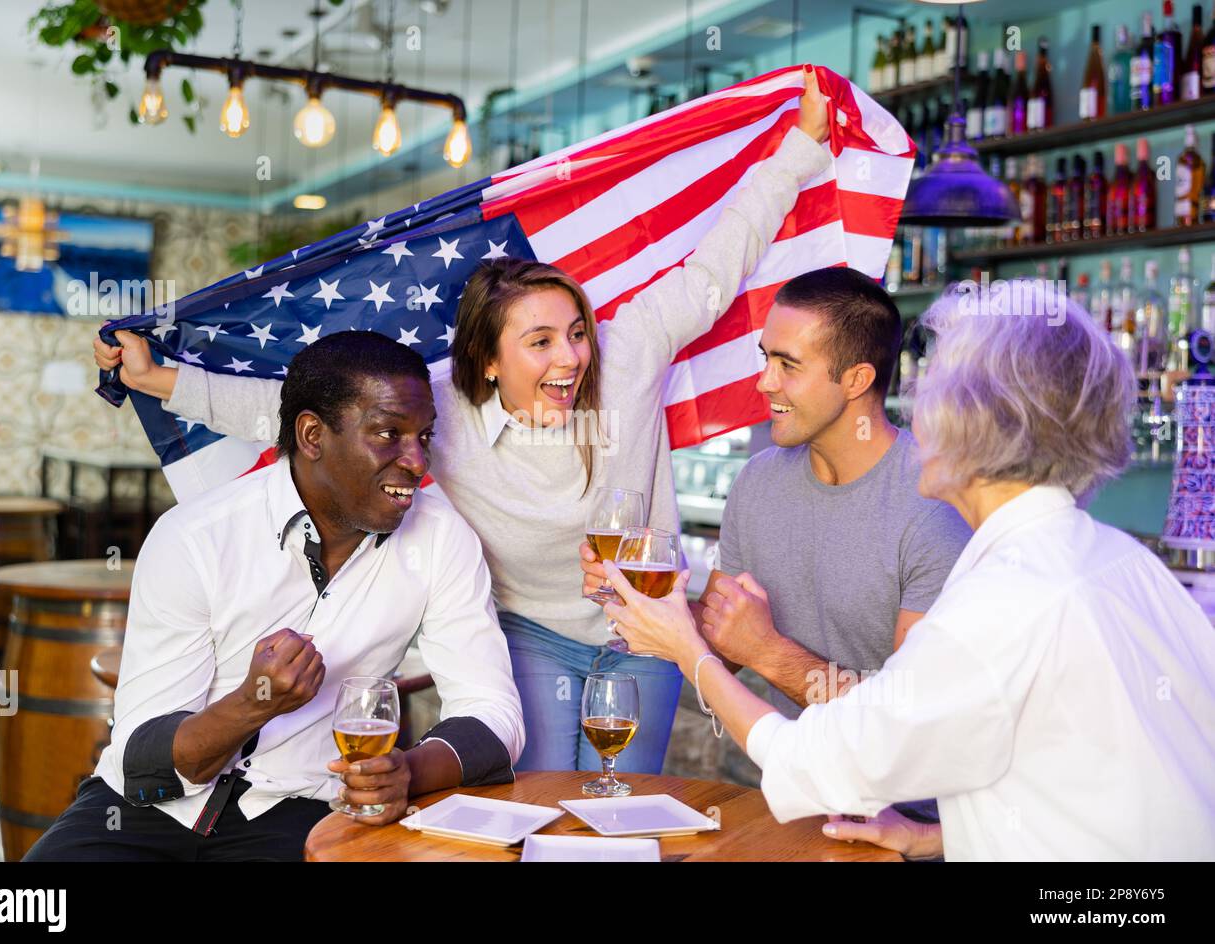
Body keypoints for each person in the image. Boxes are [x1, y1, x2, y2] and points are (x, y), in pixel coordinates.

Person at [93, 68, 834, 774]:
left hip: (648, 630)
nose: (571, 357)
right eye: (540, 342)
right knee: (544, 802)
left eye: (576, 332)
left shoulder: (630, 350)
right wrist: (159, 378)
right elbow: (286, 407)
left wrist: (799, 147)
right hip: (531, 634)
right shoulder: (439, 407)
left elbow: (714, 271)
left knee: (621, 807)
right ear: (488, 362)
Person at [599, 281, 1215, 860]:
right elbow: (1063, 779)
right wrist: (927, 838)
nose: (915, 410)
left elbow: (816, 762)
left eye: (932, 392)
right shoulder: (1123, 562)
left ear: (975, 424)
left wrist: (688, 648)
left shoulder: (1000, 606)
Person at [27, 332, 524, 861]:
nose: (418, 462)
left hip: (303, 810)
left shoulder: (441, 540)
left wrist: (408, 770)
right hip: (143, 809)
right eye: (388, 434)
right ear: (312, 435)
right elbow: (143, 758)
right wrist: (252, 703)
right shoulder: (195, 536)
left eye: (425, 436)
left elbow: (494, 713)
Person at [580, 265, 972, 824]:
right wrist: (635, 601)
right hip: (780, 791)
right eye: (766, 358)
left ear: (857, 380)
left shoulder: (935, 502)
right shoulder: (758, 480)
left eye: (788, 365)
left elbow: (906, 721)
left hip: (902, 820)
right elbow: (720, 646)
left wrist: (767, 650)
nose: (765, 382)